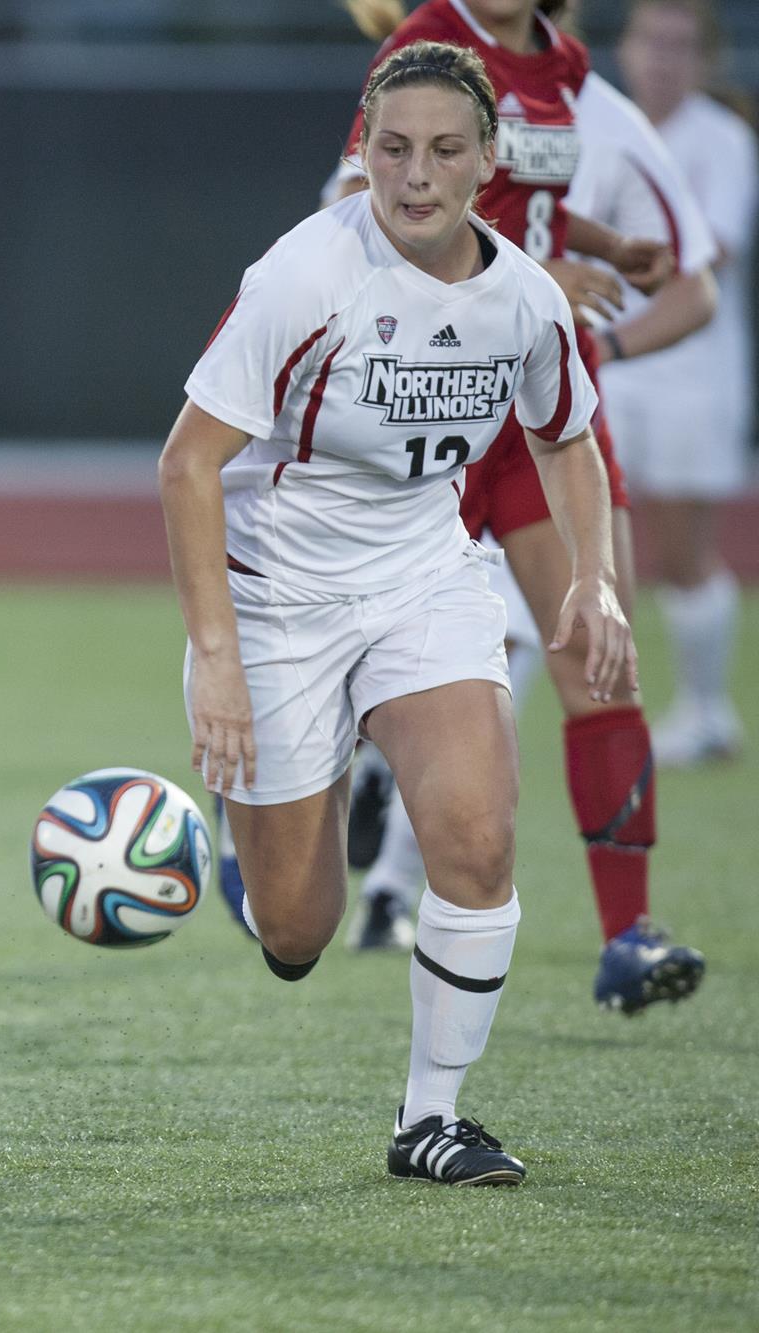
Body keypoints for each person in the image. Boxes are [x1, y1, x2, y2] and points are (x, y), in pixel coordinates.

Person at [163, 40, 629, 1184]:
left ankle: (429, 1118)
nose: (414, 175)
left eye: (443, 151)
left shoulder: (521, 295)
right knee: (295, 933)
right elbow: (185, 467)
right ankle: (256, 836)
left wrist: (591, 575)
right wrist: (216, 659)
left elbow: (564, 436)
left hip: (423, 578)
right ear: (361, 150)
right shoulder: (303, 277)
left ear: (487, 163)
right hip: (276, 603)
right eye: (391, 148)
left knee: (472, 839)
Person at [308, 0, 705, 1014]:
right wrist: (538, 270)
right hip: (427, 390)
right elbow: (376, 196)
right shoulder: (427, 43)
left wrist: (606, 247)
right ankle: (268, 823)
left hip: (537, 398)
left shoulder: (561, 61)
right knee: (360, 654)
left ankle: (627, 935)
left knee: (597, 654)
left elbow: (519, 194)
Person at [607, 0, 756, 765]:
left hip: (693, 372)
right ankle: (605, 701)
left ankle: (706, 710)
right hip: (611, 364)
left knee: (682, 548)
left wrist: (608, 251)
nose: (662, 59)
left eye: (679, 46)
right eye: (651, 42)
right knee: (592, 540)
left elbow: (714, 251)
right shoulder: (602, 125)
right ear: (628, 48)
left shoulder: (723, 139)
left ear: (703, 60)